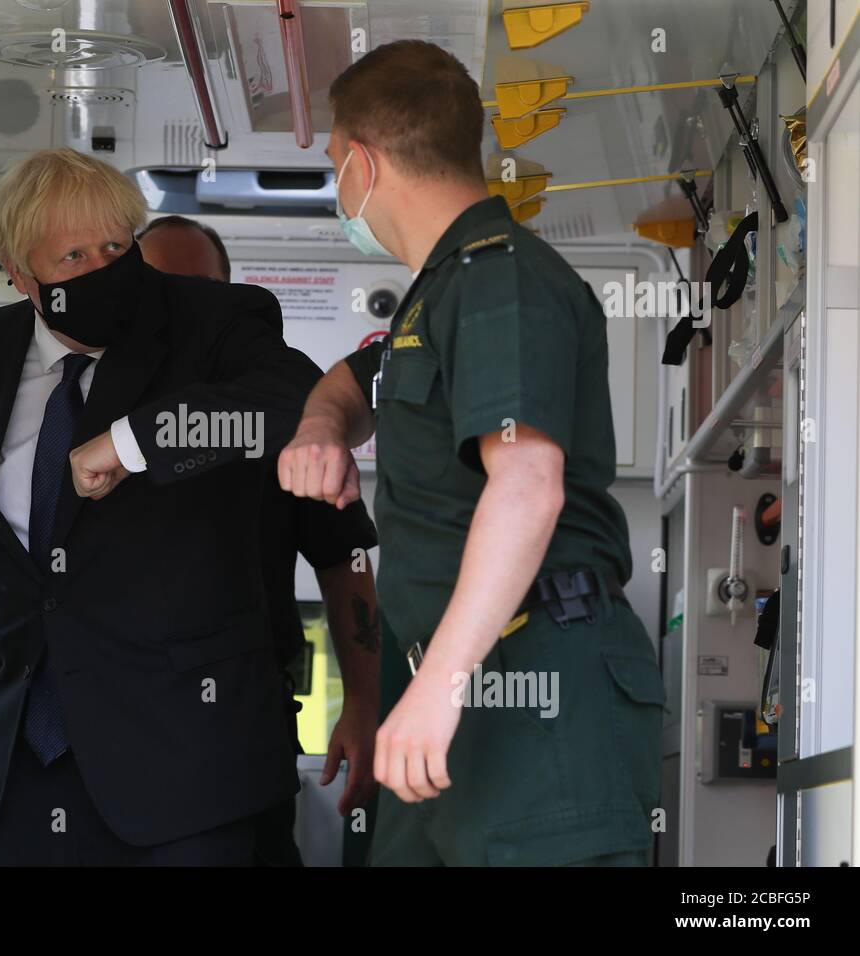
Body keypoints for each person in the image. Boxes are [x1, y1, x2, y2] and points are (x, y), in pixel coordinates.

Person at [277, 40, 664, 866]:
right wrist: (320, 428)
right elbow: (360, 379)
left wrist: (438, 688)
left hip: (532, 698)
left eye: (334, 166)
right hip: (454, 696)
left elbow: (527, 481)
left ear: (361, 162)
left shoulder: (500, 278)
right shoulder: (441, 293)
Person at [0, 147, 320, 866]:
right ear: (20, 274)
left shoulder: (211, 322)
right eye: (72, 256)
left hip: (189, 768)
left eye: (115, 246)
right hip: (25, 764)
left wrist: (135, 442)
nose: (102, 268)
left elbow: (297, 404)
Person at [137, 215, 381, 866]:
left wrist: (363, 701)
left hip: (243, 721)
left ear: (229, 294)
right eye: (161, 287)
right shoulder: (92, 398)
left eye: (201, 290)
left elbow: (344, 555)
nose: (182, 306)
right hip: (106, 720)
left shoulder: (281, 396)